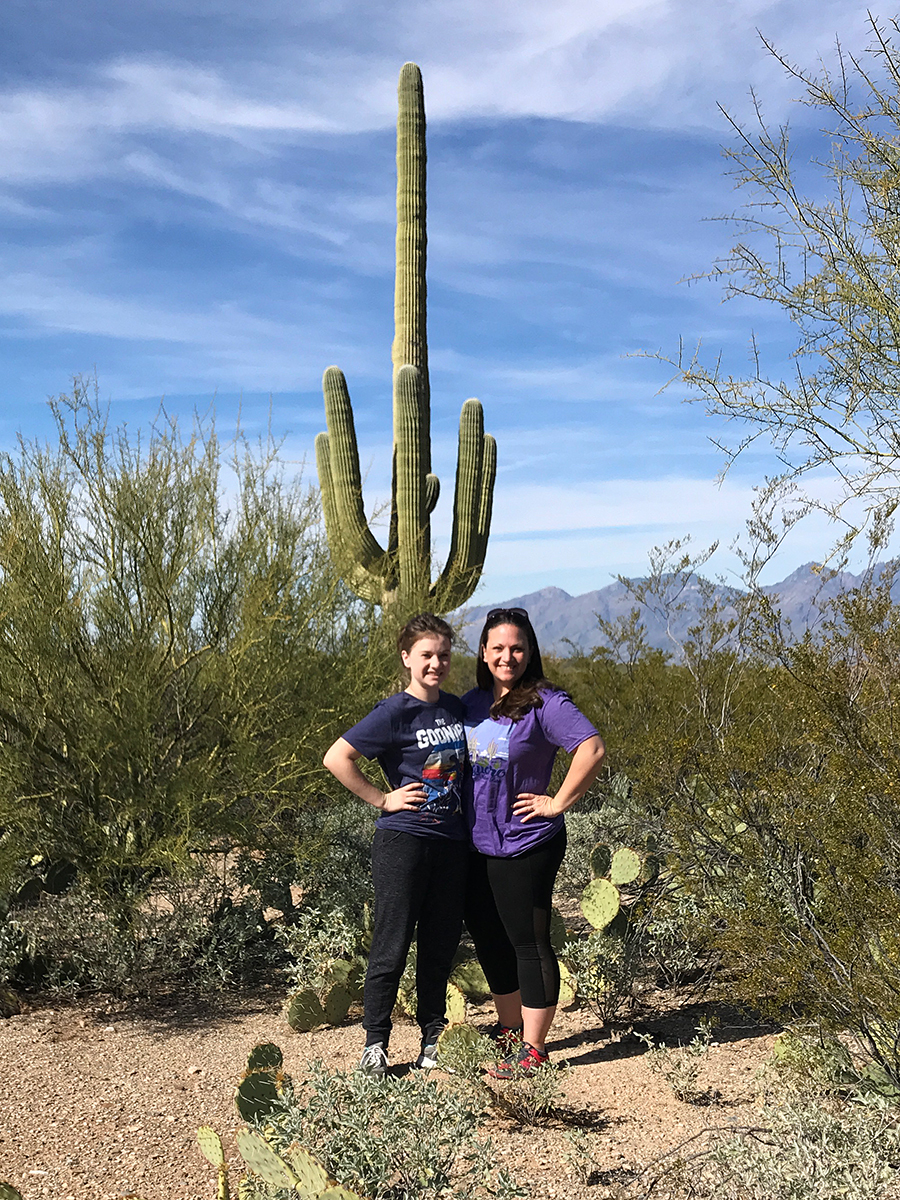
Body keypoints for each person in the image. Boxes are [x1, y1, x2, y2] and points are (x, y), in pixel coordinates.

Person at [323, 612, 468, 1077]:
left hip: (451, 843)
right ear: (407, 657)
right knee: (392, 942)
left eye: (443, 655)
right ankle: (375, 1043)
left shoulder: (456, 709)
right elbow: (337, 757)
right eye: (426, 655)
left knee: (439, 946)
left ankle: (433, 1037)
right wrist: (383, 799)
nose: (436, 664)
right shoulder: (393, 712)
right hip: (404, 840)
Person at [463, 607, 605, 1076]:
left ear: (530, 652)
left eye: (517, 648)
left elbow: (591, 748)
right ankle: (509, 1030)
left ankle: (534, 1050)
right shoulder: (471, 703)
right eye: (498, 648)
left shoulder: (545, 702)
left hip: (525, 842)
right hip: (479, 844)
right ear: (483, 652)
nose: (507, 657)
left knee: (528, 942)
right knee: (490, 940)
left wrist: (557, 802)